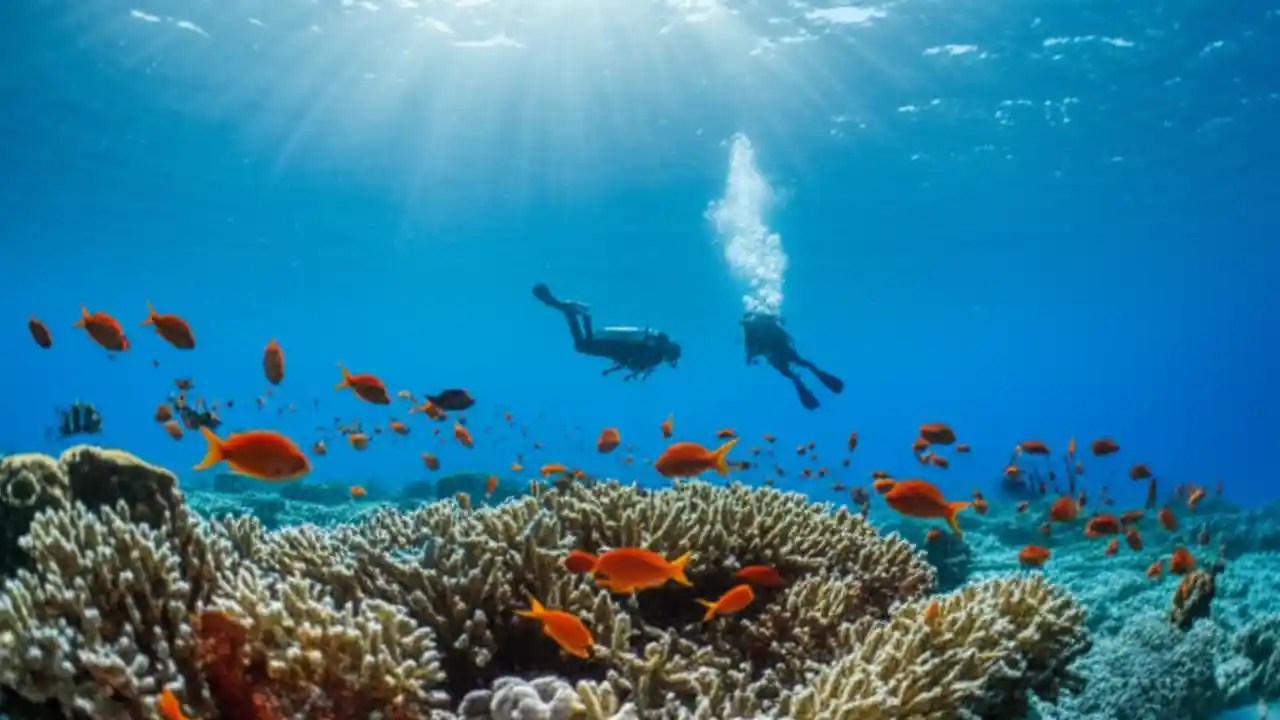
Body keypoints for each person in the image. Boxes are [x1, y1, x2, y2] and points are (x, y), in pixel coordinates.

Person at [533, 284, 681, 381]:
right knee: (583, 346)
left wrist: (611, 371)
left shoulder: (654, 349)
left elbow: (631, 362)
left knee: (585, 344)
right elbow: (633, 363)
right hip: (612, 347)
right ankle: (577, 313)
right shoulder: (653, 357)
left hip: (613, 345)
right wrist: (618, 371)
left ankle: (573, 312)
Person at [741, 311, 844, 410]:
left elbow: (751, 349)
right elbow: (781, 324)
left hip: (774, 353)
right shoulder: (766, 319)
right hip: (783, 347)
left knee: (789, 372)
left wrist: (750, 357)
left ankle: (802, 385)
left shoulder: (751, 328)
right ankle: (818, 375)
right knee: (801, 363)